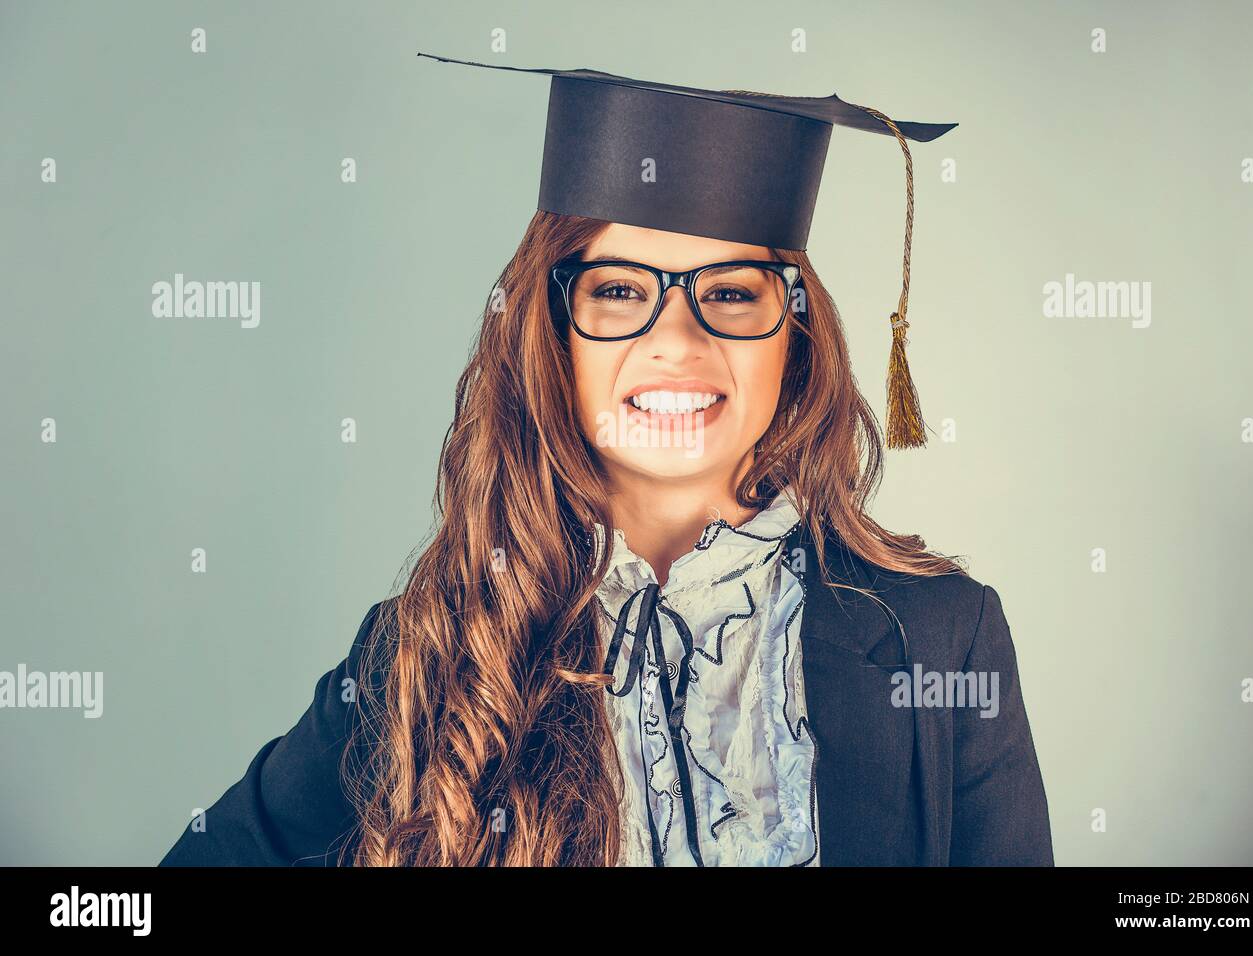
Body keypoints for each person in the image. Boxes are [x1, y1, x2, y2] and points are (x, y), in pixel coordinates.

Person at [160, 55, 1052, 867]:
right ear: (554, 333)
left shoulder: (940, 635)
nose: (677, 339)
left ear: (796, 335)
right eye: (620, 290)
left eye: (733, 293)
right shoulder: (423, 655)